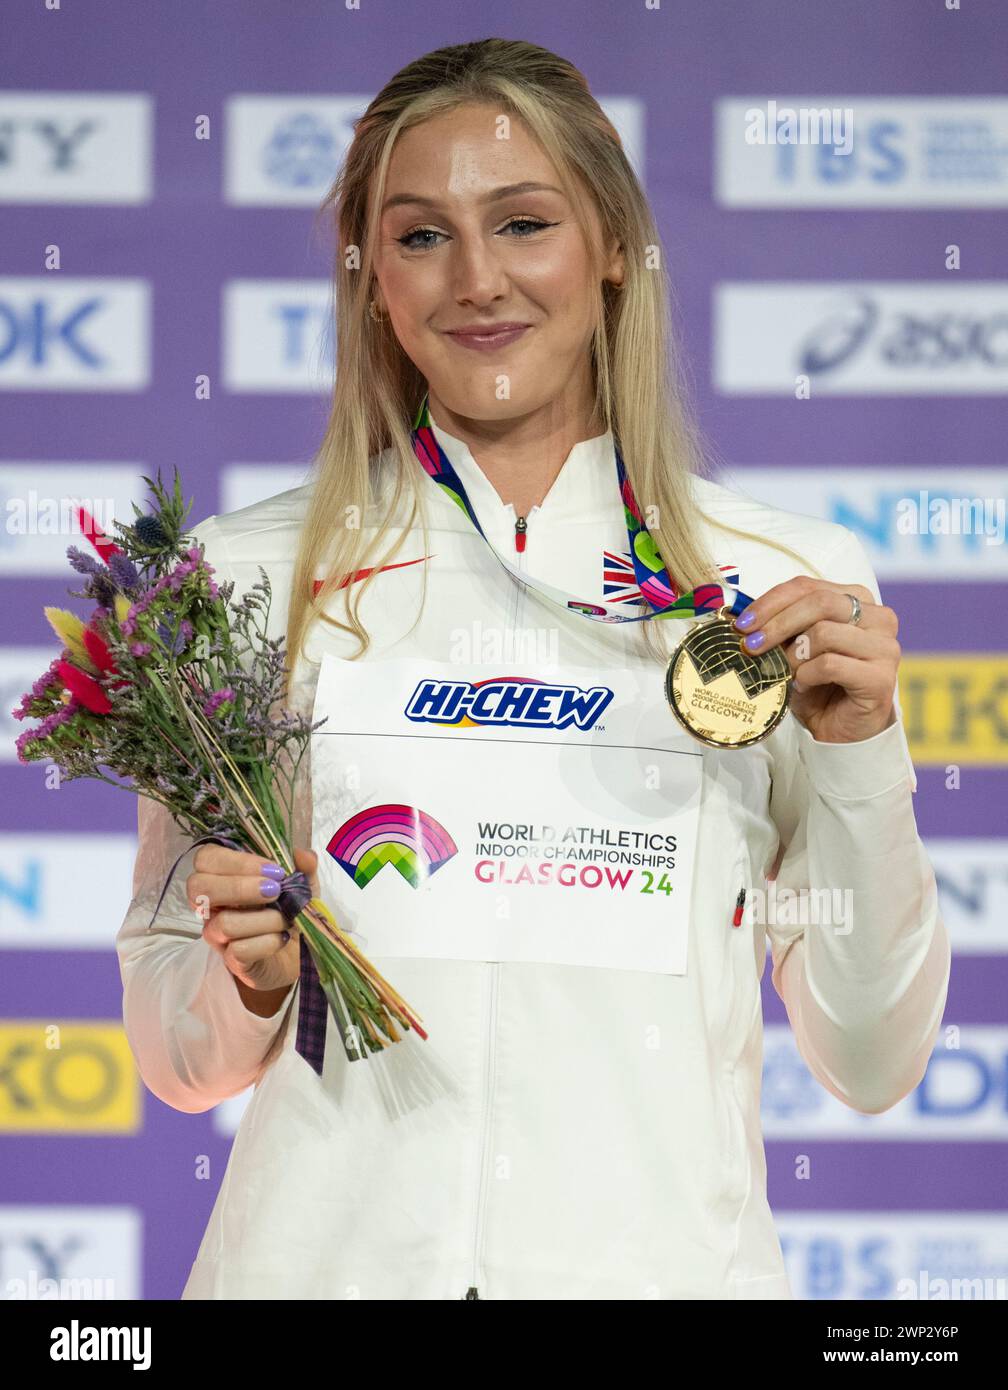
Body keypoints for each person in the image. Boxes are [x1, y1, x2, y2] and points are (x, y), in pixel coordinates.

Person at [115, 38, 951, 1300]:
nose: (478, 278)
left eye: (522, 222)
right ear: (369, 280)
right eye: (420, 236)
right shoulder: (240, 583)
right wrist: (249, 982)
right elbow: (177, 1057)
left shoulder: (783, 591)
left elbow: (875, 1058)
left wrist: (860, 751)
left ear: (612, 246)